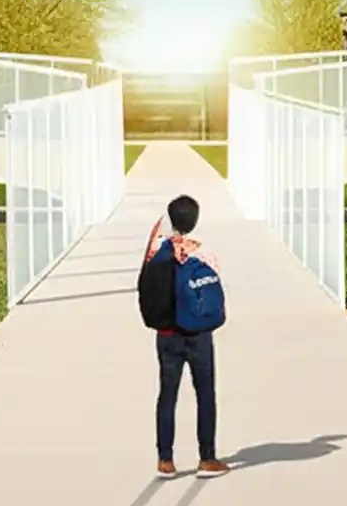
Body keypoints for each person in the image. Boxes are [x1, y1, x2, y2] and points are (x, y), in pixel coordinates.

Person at [140, 195, 230, 480]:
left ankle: (165, 460)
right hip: (198, 336)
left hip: (167, 335)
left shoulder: (157, 251)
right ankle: (207, 458)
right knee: (205, 394)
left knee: (167, 394)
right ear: (195, 219)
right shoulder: (202, 252)